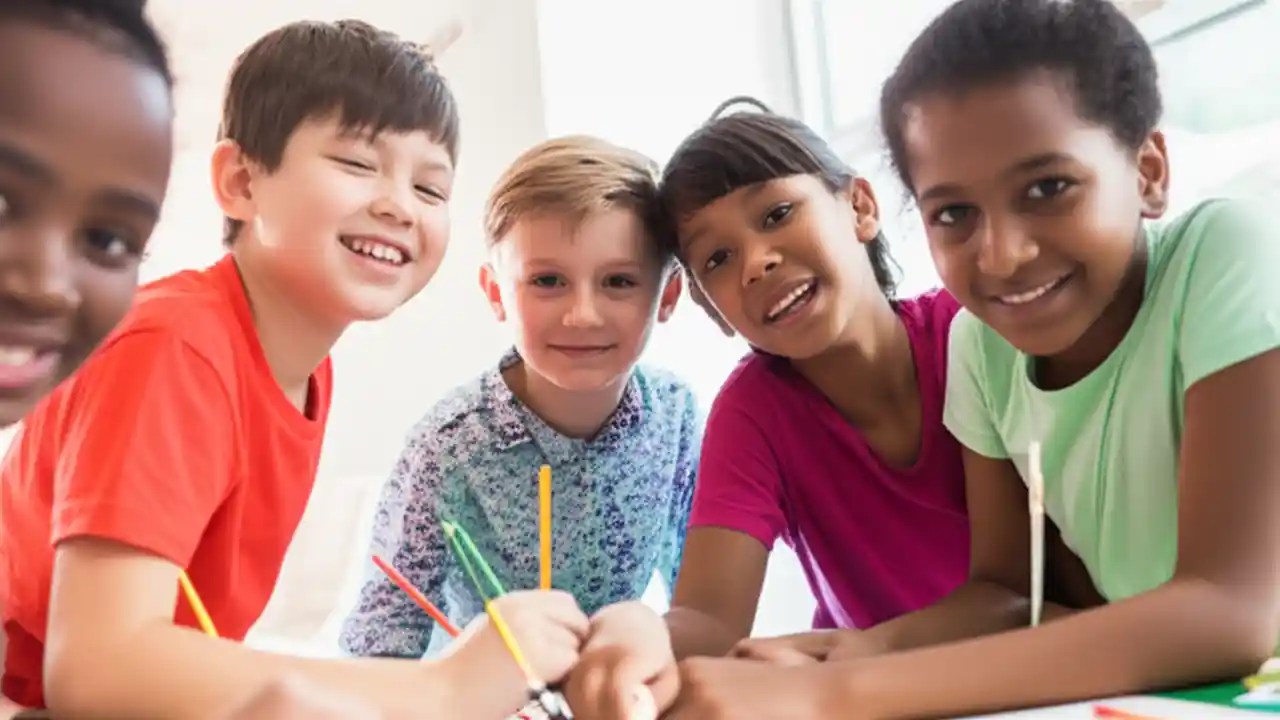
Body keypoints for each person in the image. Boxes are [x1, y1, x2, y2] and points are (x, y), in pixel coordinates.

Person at [663, 0, 1280, 717]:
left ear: (1147, 170)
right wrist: (858, 649)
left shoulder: (1226, 253)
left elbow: (1235, 609)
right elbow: (1010, 588)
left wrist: (834, 692)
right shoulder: (982, 344)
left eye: (1048, 188)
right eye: (954, 214)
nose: (1003, 255)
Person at [0, 17, 589, 720]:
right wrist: (441, 688)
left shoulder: (301, 370)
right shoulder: (177, 344)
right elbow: (96, 670)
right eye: (357, 164)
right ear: (241, 182)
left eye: (430, 190)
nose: (399, 204)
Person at [567, 99, 971, 718]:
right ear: (710, 309)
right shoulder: (754, 410)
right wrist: (639, 631)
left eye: (778, 213)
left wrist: (852, 654)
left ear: (859, 206)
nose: (757, 262)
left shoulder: (970, 335)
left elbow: (1029, 590)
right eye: (718, 259)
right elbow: (708, 617)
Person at [340, 135, 700, 662]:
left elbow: (698, 597)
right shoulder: (447, 445)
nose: (583, 315)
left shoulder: (676, 413)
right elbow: (381, 637)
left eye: (619, 281)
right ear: (495, 293)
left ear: (666, 295)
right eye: (548, 280)